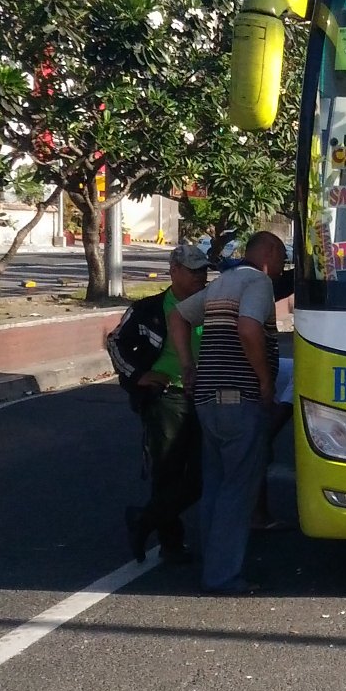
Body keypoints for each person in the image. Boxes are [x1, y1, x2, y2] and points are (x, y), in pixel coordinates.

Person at [169, 231, 287, 595]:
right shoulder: (258, 282)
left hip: (207, 398)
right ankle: (223, 577)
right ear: (268, 254)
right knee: (238, 491)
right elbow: (249, 328)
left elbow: (177, 316)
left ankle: (213, 565)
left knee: (217, 487)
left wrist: (189, 366)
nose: (283, 268)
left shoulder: (224, 283)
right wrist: (265, 381)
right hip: (240, 399)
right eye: (282, 259)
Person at [113, 244, 210, 564]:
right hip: (168, 400)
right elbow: (116, 342)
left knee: (201, 476)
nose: (200, 276)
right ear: (174, 272)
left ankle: (143, 519)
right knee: (167, 472)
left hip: (207, 397)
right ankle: (171, 543)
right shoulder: (149, 310)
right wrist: (140, 375)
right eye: (192, 270)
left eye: (203, 270)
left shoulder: (213, 304)